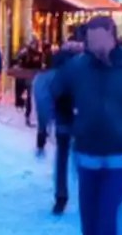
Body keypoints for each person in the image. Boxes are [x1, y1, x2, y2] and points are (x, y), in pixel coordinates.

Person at [51, 16, 122, 235]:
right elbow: (57, 93)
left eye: (99, 38)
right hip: (86, 154)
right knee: (89, 222)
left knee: (107, 220)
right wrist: (71, 123)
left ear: (112, 36)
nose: (95, 44)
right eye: (91, 39)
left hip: (121, 156)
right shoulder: (77, 67)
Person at [34, 39, 83, 214]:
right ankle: (87, 195)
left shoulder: (47, 77)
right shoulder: (84, 73)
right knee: (83, 160)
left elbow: (43, 104)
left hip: (62, 120)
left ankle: (60, 196)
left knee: (62, 157)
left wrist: (42, 131)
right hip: (83, 122)